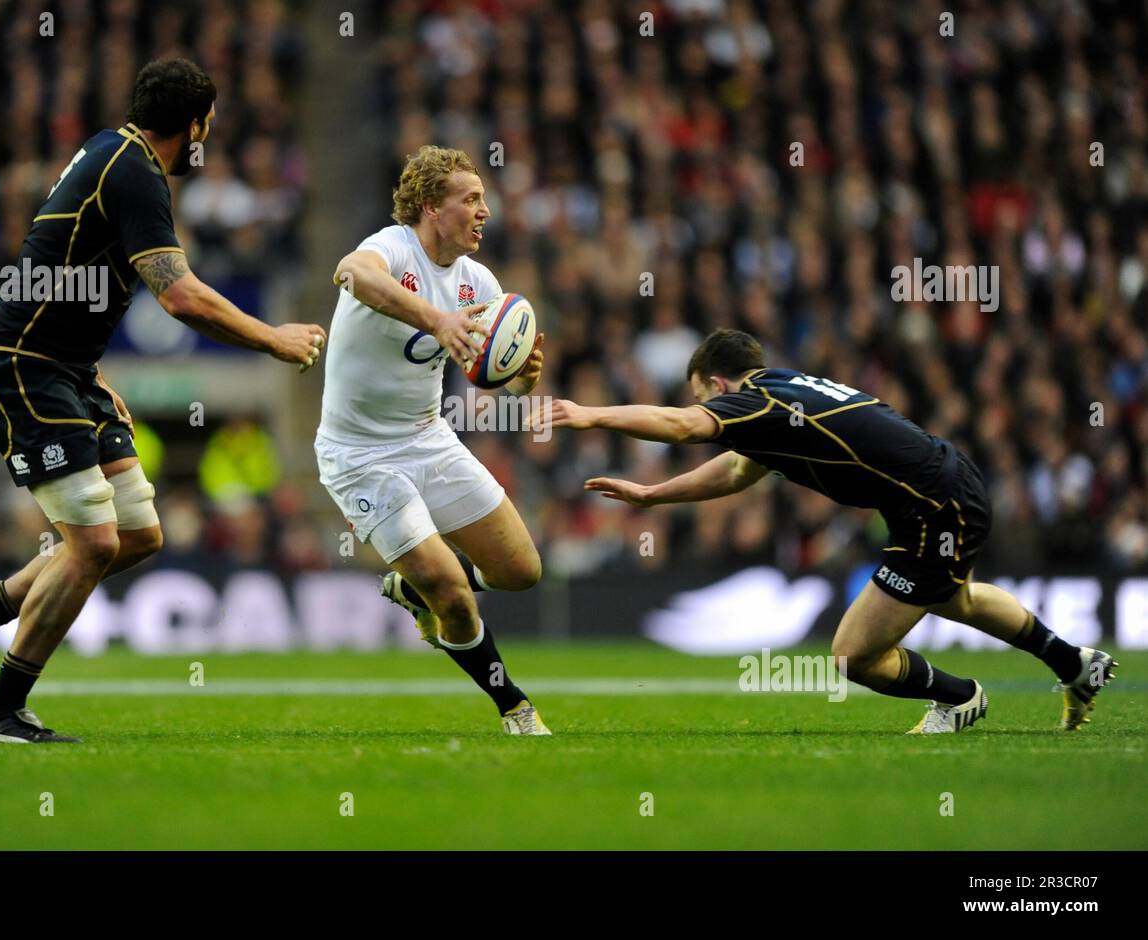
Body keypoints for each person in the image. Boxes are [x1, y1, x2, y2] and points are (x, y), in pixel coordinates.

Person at [0, 58, 327, 743]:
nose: (209, 140)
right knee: (93, 542)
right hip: (26, 367)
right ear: (192, 125)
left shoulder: (114, 155)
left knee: (137, 536)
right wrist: (273, 340)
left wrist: (91, 371)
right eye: (209, 126)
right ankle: (4, 710)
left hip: (67, 368)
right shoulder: (132, 171)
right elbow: (180, 295)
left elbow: (60, 264)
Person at [542, 328, 1116, 734]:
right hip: (943, 488)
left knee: (852, 656)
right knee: (955, 599)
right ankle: (1073, 663)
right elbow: (740, 469)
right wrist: (653, 495)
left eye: (703, 396)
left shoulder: (757, 400)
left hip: (931, 506)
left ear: (719, 385)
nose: (706, 409)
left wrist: (593, 414)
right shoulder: (787, 390)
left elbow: (683, 426)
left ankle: (961, 697)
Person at [317, 145, 550, 735]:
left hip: (428, 439)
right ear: (429, 207)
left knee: (521, 570)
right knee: (450, 590)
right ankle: (514, 707)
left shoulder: (479, 283)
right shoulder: (393, 247)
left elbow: (492, 381)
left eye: (484, 199)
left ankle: (408, 588)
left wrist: (519, 379)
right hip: (359, 456)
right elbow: (351, 273)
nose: (484, 212)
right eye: (470, 199)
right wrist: (436, 318)